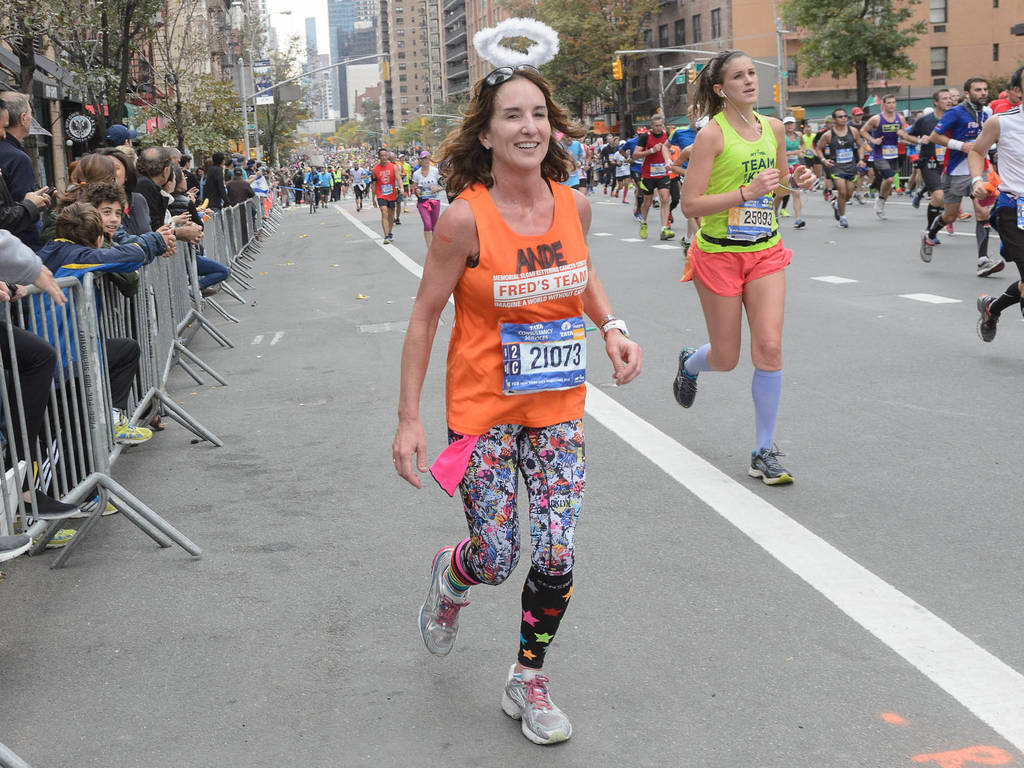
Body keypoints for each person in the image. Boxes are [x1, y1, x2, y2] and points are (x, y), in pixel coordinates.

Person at [392, 62, 641, 746]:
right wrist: (410, 419)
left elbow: (578, 272)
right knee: (498, 557)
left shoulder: (573, 204)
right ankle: (455, 572)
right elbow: (425, 317)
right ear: (487, 133)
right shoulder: (463, 220)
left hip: (557, 407)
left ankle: (528, 677)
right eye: (512, 115)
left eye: (538, 114)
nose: (529, 127)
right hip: (485, 413)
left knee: (556, 553)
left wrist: (611, 327)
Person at [674, 49, 814, 485]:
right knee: (727, 358)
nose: (750, 81)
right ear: (721, 89)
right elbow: (690, 205)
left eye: (752, 73)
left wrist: (798, 182)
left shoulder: (773, 128)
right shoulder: (711, 136)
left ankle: (763, 450)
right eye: (739, 76)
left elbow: (781, 183)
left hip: (765, 250)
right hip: (718, 254)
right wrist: (745, 193)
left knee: (769, 347)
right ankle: (691, 363)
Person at [36, 202, 157, 444]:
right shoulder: (76, 256)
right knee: (70, 442)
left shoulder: (50, 250)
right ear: (96, 238)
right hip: (63, 362)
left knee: (126, 349)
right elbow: (132, 256)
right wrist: (157, 241)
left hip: (59, 355)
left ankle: (112, 418)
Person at [924, 77, 1000, 276]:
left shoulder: (988, 113)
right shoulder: (955, 112)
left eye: (985, 89)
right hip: (956, 171)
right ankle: (930, 234)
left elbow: (991, 138)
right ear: (967, 93)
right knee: (950, 216)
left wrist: (994, 151)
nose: (983, 93)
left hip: (980, 170)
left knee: (982, 213)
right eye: (978, 90)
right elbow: (934, 136)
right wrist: (961, 145)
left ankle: (983, 260)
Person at [972, 66, 1024, 342]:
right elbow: (977, 152)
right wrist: (976, 181)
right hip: (1013, 208)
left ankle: (992, 308)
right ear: (1017, 91)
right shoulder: (1001, 122)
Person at [906, 90, 952, 261]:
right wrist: (919, 140)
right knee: (939, 196)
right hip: (930, 163)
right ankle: (929, 229)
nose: (949, 101)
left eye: (950, 98)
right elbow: (906, 135)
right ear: (936, 102)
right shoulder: (925, 120)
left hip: (949, 162)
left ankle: (930, 229)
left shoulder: (954, 118)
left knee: (945, 201)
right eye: (945, 98)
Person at [0, 91, 45, 250]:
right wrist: (32, 205)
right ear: (23, 118)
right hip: (17, 249)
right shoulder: (18, 158)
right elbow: (15, 217)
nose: (3, 134)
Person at [860, 94, 908, 220]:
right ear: (883, 104)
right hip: (879, 154)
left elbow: (904, 135)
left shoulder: (900, 118)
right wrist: (873, 140)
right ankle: (880, 201)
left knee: (888, 183)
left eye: (894, 102)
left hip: (894, 155)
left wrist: (903, 135)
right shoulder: (876, 119)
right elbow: (863, 131)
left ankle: (881, 202)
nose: (892, 105)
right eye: (889, 103)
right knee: (890, 179)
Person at [816, 107, 863, 229]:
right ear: (834, 120)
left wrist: (861, 160)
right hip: (837, 167)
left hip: (851, 166)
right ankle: (843, 217)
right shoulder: (828, 135)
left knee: (849, 194)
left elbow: (860, 146)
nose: (843, 118)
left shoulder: (853, 131)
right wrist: (824, 160)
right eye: (840, 117)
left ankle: (837, 204)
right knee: (842, 191)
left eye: (845, 116)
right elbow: (819, 149)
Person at [633, 115, 675, 240]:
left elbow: (668, 148)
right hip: (648, 174)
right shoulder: (645, 137)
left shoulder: (666, 134)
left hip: (663, 173)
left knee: (665, 199)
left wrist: (670, 151)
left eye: (660, 125)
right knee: (647, 202)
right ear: (651, 126)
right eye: (656, 126)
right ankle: (643, 222)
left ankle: (664, 229)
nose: (658, 128)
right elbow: (635, 155)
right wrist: (651, 151)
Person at [776, 116, 806, 229]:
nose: (789, 126)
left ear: (794, 124)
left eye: (791, 123)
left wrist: (801, 151)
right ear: (784, 125)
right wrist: (792, 152)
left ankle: (798, 219)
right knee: (780, 194)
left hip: (795, 166)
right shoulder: (781, 136)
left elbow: (802, 144)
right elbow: (777, 152)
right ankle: (774, 215)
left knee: (796, 192)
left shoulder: (799, 135)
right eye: (787, 124)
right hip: (784, 167)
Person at [411, 150, 441, 247]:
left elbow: (443, 185)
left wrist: (437, 188)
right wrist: (417, 191)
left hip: (435, 201)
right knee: (427, 224)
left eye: (428, 158)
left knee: (435, 225)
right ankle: (430, 249)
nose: (426, 161)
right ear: (420, 160)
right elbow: (414, 188)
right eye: (424, 159)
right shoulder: (416, 173)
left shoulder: (435, 171)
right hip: (422, 202)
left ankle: (435, 246)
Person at [371, 149, 399, 244]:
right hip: (381, 194)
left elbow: (398, 179)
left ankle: (390, 232)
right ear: (379, 157)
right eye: (381, 155)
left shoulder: (393, 167)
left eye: (385, 155)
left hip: (392, 194)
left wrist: (402, 188)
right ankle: (386, 236)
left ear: (387, 156)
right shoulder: (374, 169)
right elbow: (374, 184)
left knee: (391, 215)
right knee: (384, 212)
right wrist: (373, 199)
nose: (383, 157)